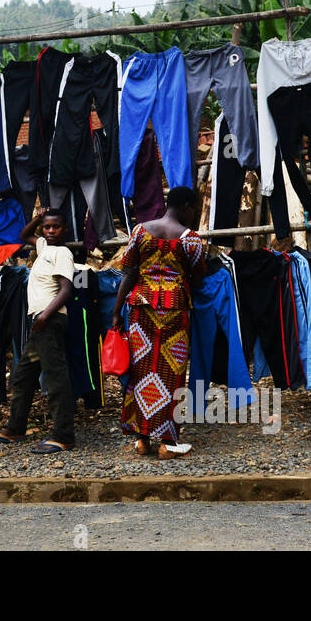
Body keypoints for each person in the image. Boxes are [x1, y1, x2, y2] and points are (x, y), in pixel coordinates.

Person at [112, 185, 208, 459]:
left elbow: (128, 274)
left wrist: (117, 312)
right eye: (193, 209)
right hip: (176, 312)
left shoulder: (140, 231)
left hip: (141, 310)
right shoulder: (191, 240)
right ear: (187, 207)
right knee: (171, 375)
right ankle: (167, 442)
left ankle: (142, 439)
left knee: (142, 372)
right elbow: (199, 276)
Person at [0, 208, 77, 453]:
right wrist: (37, 218)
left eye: (55, 227)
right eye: (46, 227)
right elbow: (24, 235)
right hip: (39, 323)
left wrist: (45, 316)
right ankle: (16, 427)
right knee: (24, 376)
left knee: (55, 378)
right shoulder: (45, 248)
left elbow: (67, 289)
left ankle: (64, 435)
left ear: (64, 229)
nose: (50, 231)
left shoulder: (62, 253)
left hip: (50, 320)